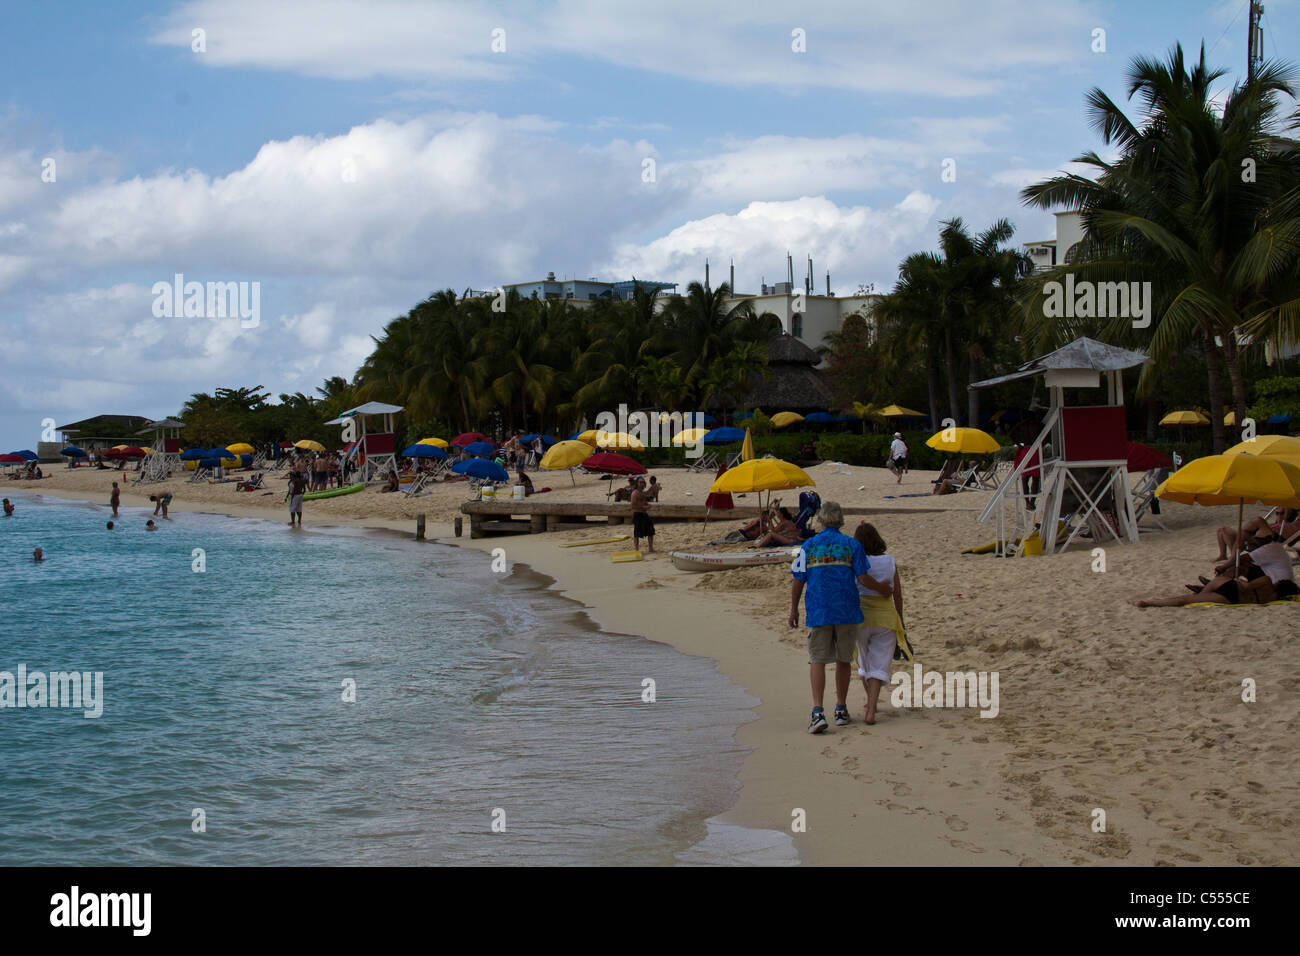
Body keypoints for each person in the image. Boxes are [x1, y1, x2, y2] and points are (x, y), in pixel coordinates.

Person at [789, 501, 891, 733]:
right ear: (841, 520)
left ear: (821, 520)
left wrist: (793, 609)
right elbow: (863, 578)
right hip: (846, 609)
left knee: (818, 659)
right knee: (843, 659)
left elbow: (798, 579)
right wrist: (883, 589)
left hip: (819, 609)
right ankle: (841, 708)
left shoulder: (809, 546)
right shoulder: (851, 545)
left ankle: (817, 711)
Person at [852, 522, 908, 724]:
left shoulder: (856, 562)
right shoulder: (889, 562)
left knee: (864, 662)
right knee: (879, 663)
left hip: (861, 616)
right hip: (885, 617)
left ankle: (871, 704)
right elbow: (898, 595)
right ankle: (872, 707)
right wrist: (900, 619)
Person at [1215, 509, 1299, 562]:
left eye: (1282, 513)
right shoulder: (1273, 524)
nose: (1279, 515)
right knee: (1222, 530)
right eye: (1277, 513)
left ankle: (1234, 558)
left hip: (1275, 540)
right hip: (1256, 538)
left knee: (1258, 520)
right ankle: (1224, 555)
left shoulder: (1294, 526)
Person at [630, 477, 656, 553]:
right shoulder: (635, 493)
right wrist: (644, 507)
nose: (642, 483)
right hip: (637, 514)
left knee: (650, 530)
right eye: (640, 482)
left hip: (644, 514)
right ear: (637, 483)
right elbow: (632, 506)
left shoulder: (642, 493)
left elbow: (643, 502)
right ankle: (636, 549)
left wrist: (647, 505)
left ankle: (650, 548)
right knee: (637, 533)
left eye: (643, 482)